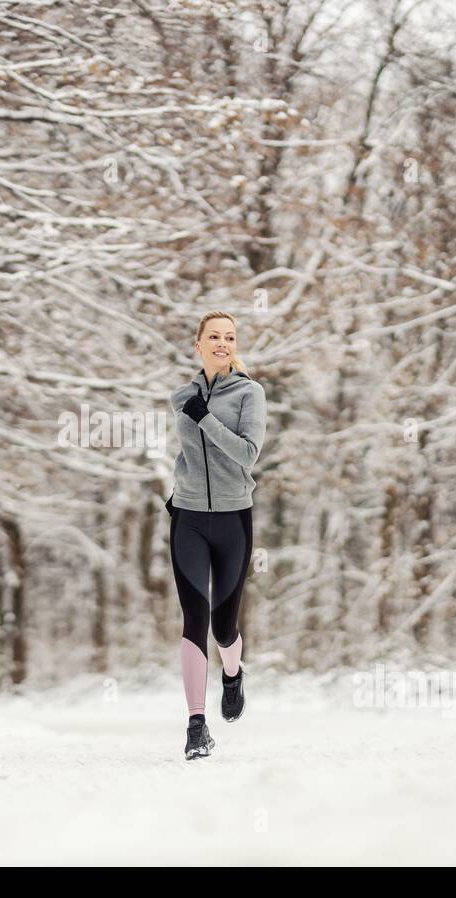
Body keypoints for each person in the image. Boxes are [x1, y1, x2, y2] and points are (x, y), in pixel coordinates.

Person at [165, 310, 267, 759]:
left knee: (224, 627)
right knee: (195, 619)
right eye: (214, 337)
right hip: (188, 517)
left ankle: (232, 674)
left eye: (229, 337)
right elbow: (189, 455)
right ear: (198, 344)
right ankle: (195, 726)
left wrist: (206, 418)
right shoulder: (181, 396)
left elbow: (247, 453)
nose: (222, 343)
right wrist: (178, 490)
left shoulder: (250, 393)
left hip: (232, 518)